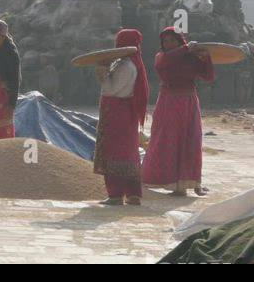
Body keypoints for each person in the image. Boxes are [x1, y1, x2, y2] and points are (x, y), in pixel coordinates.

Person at [142, 27, 215, 197]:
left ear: (179, 41)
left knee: (190, 140)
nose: (168, 44)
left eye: (172, 40)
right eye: (165, 41)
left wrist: (206, 59)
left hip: (189, 102)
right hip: (168, 103)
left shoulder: (190, 59)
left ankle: (185, 184)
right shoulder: (161, 57)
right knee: (167, 140)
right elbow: (165, 62)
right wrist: (186, 48)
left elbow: (208, 76)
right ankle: (168, 181)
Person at [92, 30, 149, 206]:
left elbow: (111, 89)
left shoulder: (126, 66)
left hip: (117, 113)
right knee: (128, 152)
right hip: (124, 113)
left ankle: (115, 194)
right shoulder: (128, 63)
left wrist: (102, 73)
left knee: (114, 152)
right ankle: (133, 194)